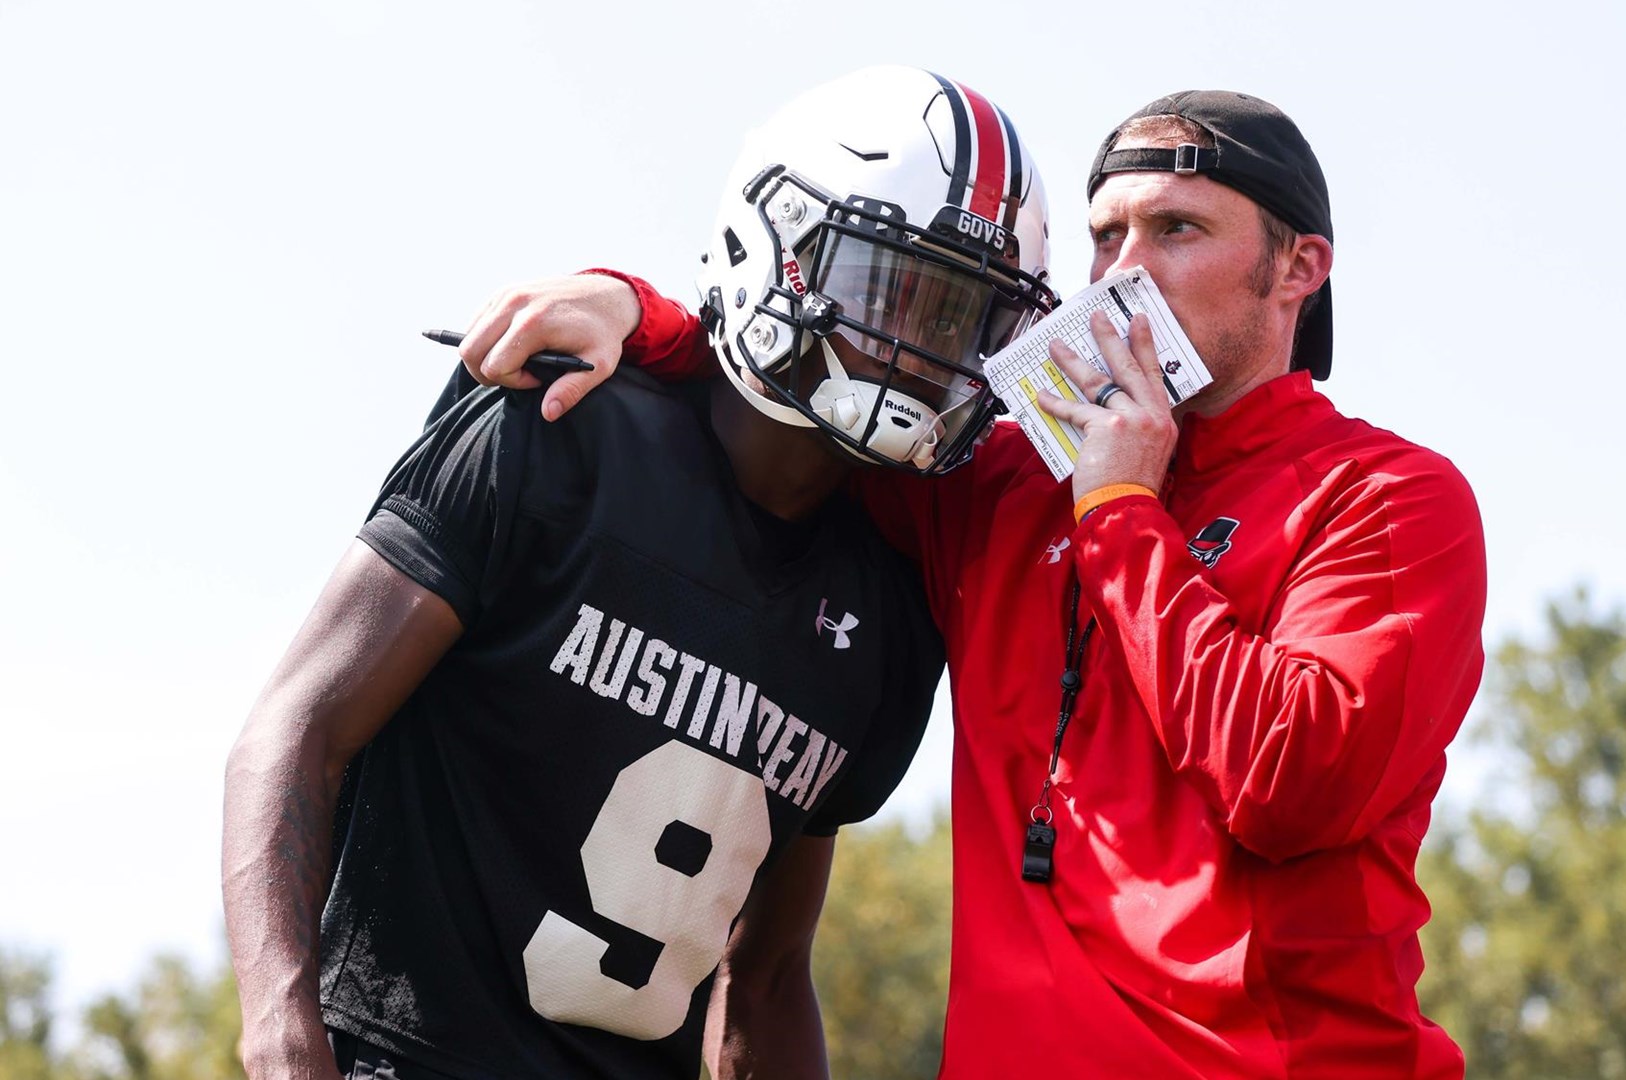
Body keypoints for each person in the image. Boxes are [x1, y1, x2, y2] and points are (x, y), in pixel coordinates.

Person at [459, 89, 1487, 1078]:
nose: (1122, 275)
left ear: (1298, 267)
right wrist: (640, 315)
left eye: (1175, 230)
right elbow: (820, 403)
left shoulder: (1389, 497)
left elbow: (1290, 785)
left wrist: (1120, 512)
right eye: (1105, 237)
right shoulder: (1005, 479)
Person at [221, 66, 1055, 1080]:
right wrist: (280, 1029)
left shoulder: (886, 613)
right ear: (778, 243)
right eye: (894, 289)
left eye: (955, 318)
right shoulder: (561, 433)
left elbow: (772, 971)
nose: (917, 349)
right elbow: (295, 730)